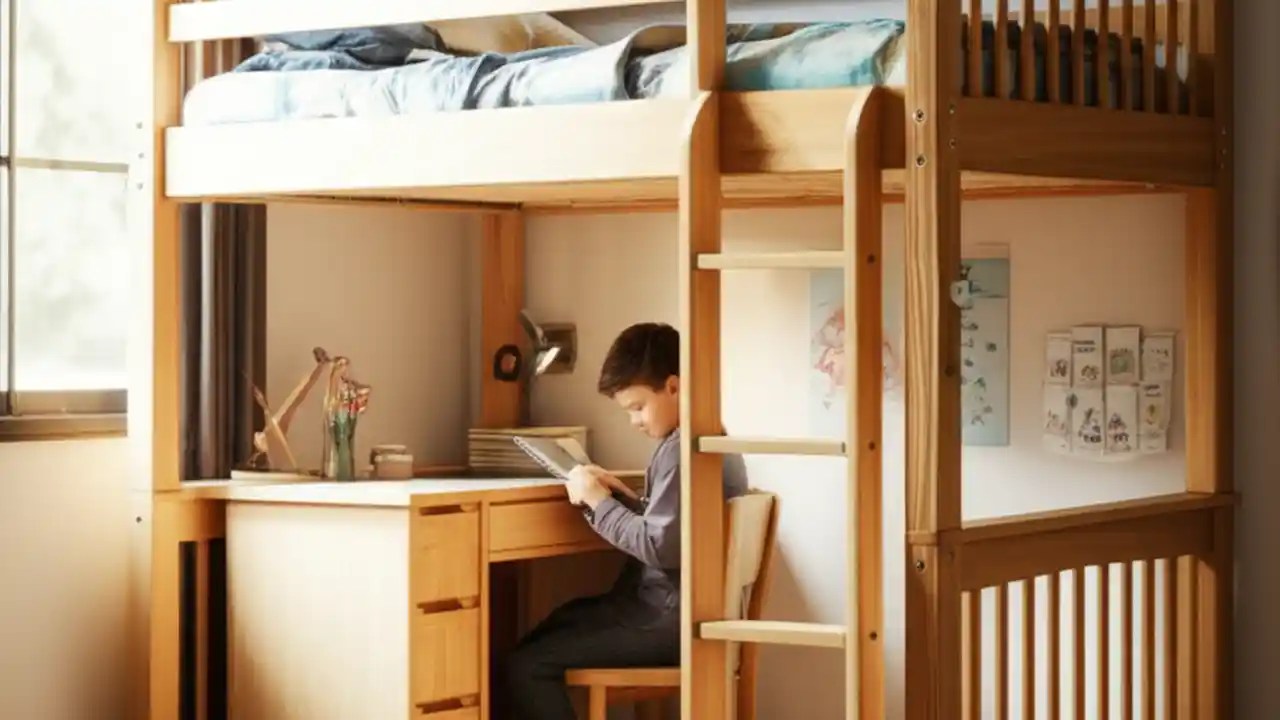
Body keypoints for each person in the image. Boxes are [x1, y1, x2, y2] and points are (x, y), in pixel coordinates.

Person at [504, 322, 746, 720]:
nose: (634, 421)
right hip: (689, 612)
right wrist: (626, 501)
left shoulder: (683, 450)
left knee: (527, 664)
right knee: (560, 623)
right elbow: (676, 534)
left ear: (673, 386)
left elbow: (659, 547)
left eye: (637, 407)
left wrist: (599, 501)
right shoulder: (711, 438)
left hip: (668, 621)